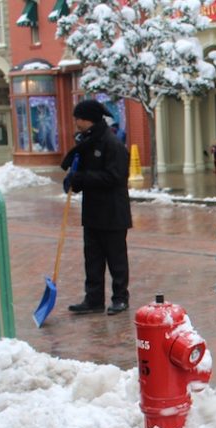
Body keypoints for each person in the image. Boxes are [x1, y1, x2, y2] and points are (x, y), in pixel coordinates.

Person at [61, 99, 133, 315]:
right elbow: (82, 171)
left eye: (78, 118)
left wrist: (83, 177)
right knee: (92, 259)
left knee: (116, 259)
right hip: (93, 212)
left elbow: (116, 177)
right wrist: (74, 180)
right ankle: (93, 299)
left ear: (88, 119)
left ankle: (120, 298)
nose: (76, 123)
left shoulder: (112, 144)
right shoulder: (87, 143)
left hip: (112, 213)